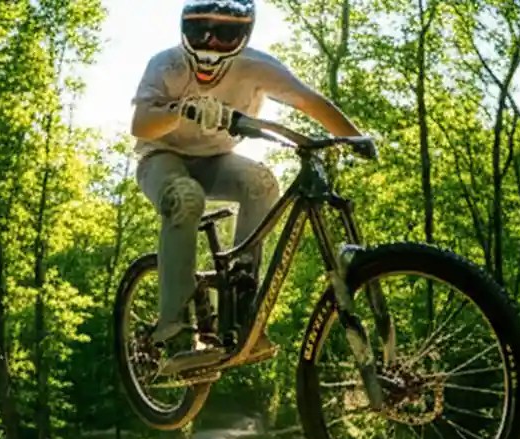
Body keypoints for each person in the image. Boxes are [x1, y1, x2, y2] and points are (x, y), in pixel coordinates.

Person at [129, 0, 371, 374]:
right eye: (199, 31)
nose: (210, 44)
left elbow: (308, 100)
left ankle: (241, 308)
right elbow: (141, 125)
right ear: (183, 29)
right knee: (186, 198)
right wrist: (183, 109)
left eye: (225, 34)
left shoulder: (257, 66)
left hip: (216, 159)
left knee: (262, 183)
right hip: (161, 156)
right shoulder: (166, 65)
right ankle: (173, 331)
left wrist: (355, 138)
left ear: (245, 35)